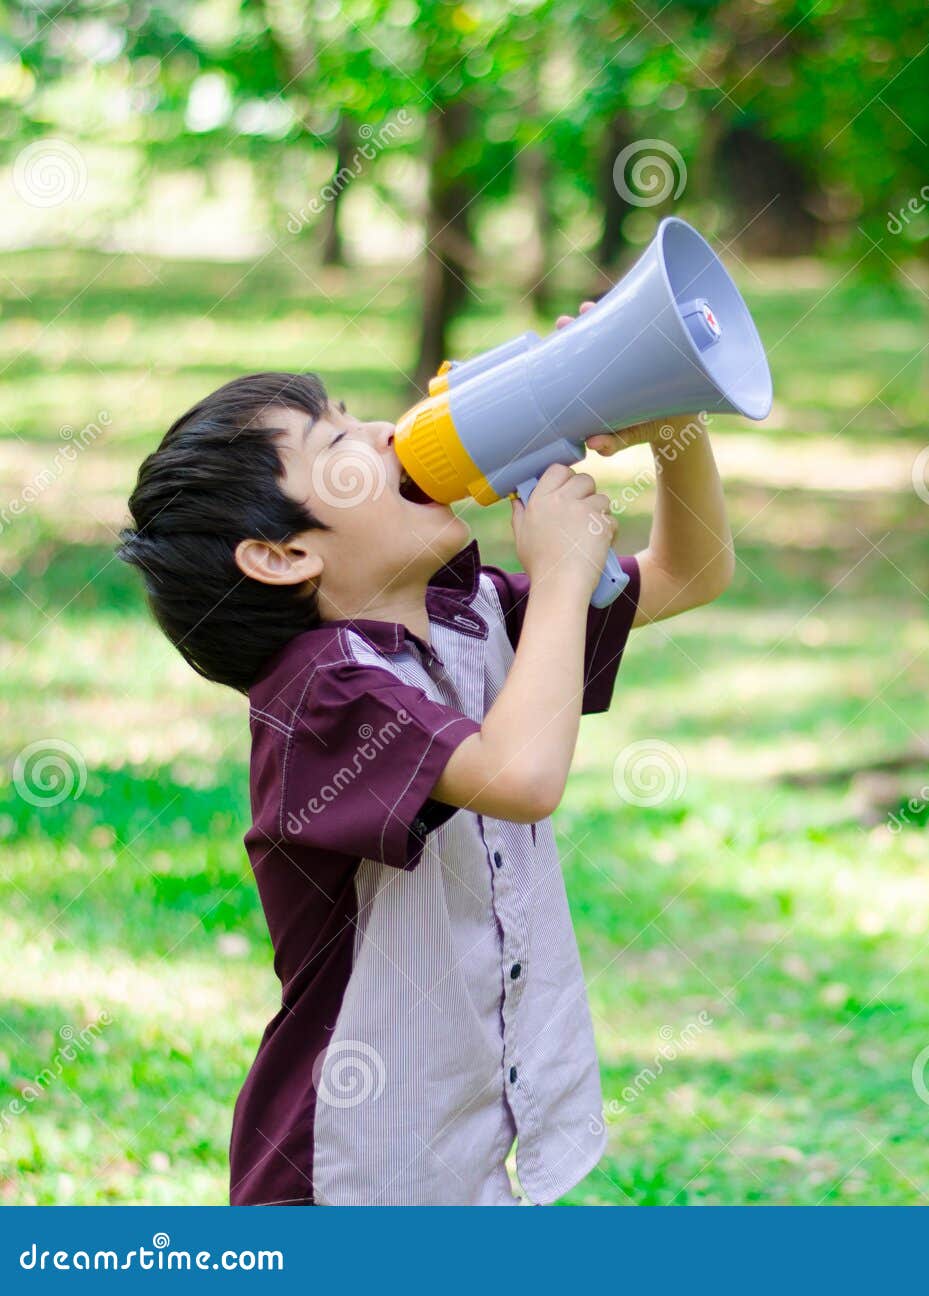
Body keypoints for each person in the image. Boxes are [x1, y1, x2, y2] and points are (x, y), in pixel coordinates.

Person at [116, 307, 734, 1204]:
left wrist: (674, 414)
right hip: (344, 1170)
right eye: (337, 443)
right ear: (282, 555)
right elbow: (520, 778)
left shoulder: (468, 610)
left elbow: (693, 570)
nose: (384, 432)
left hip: (465, 1149)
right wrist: (563, 578)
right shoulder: (319, 695)